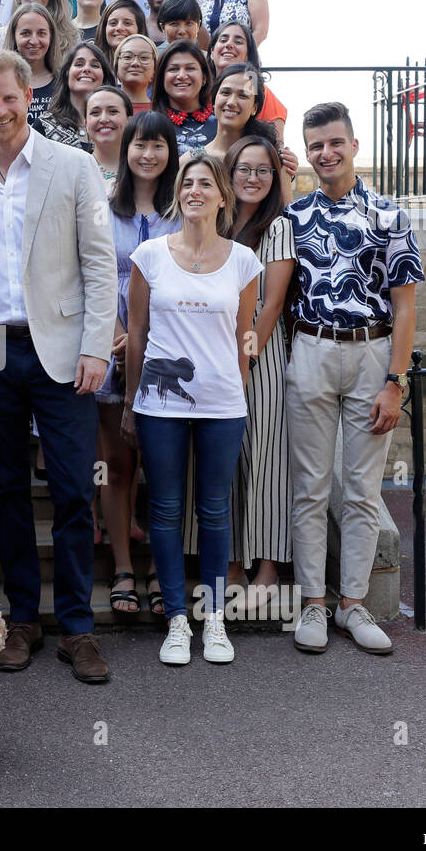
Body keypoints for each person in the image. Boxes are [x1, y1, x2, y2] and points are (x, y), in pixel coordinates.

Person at [0, 49, 118, 684]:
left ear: (27, 97)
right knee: (9, 490)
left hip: (63, 349)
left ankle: (77, 627)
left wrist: (98, 345)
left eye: (8, 98)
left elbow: (99, 262)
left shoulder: (73, 168)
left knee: (72, 491)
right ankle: (22, 620)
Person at [286, 102, 423, 656]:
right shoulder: (293, 219)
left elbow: (406, 308)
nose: (326, 153)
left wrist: (397, 380)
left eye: (335, 142)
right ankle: (314, 604)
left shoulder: (390, 216)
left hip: (372, 353)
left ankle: (354, 604)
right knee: (311, 486)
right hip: (312, 349)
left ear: (354, 145)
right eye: (316, 145)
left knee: (363, 488)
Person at [123, 153, 261, 666]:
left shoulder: (244, 260)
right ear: (178, 193)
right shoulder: (151, 255)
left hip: (222, 403)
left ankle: (215, 620)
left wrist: (237, 391)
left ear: (223, 196)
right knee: (163, 509)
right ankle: (177, 620)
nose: (196, 191)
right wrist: (133, 401)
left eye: (207, 183)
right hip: (158, 406)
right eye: (188, 183)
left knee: (214, 510)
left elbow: (244, 334)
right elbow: (136, 333)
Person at [97, 112, 180, 617]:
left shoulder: (182, 209)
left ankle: (158, 568)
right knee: (116, 465)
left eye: (158, 146)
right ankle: (123, 566)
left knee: (162, 465)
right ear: (125, 150)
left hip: (169, 350)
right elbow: (94, 276)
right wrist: (119, 341)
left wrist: (149, 346)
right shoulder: (103, 210)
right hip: (113, 344)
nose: (148, 155)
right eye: (139, 145)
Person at [221, 136, 295, 595]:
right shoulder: (215, 222)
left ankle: (267, 567)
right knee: (221, 461)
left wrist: (245, 357)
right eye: (244, 169)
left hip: (260, 355)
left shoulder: (279, 227)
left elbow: (271, 303)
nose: (252, 178)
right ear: (229, 175)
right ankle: (229, 562)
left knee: (264, 457)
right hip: (212, 353)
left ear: (275, 178)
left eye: (263, 170)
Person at [209, 19, 287, 143]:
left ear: (247, 55)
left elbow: (276, 147)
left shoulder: (261, 92)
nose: (229, 45)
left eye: (238, 42)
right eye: (223, 40)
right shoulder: (198, 87)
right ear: (212, 52)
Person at [35, 40, 114, 149]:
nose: (86, 69)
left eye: (95, 65)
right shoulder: (44, 125)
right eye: (79, 64)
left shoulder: (115, 124)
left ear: (104, 77)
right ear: (66, 74)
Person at [202, 62, 281, 161]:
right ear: (214, 100)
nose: (231, 102)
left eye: (243, 95)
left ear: (255, 108)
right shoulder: (190, 160)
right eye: (225, 93)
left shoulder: (268, 159)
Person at [152, 39, 216, 154]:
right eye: (173, 69)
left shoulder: (222, 122)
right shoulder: (149, 123)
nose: (181, 75)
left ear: (204, 78)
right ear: (162, 78)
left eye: (190, 68)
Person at [0, 2, 60, 125]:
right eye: (25, 33)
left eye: (41, 33)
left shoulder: (64, 83)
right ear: (14, 36)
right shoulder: (0, 83)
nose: (34, 40)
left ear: (51, 37)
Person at [86, 84, 133, 185]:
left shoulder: (143, 167)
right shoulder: (77, 168)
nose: (103, 119)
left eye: (113, 112)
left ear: (129, 121)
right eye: (95, 113)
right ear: (86, 124)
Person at [95, 0, 147, 67]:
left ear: (139, 28)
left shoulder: (151, 68)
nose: (119, 28)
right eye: (113, 23)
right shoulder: (92, 66)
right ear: (104, 28)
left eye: (127, 23)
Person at [113, 33, 157, 112]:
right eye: (127, 57)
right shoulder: (102, 108)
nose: (135, 63)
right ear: (116, 66)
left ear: (155, 69)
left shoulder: (163, 112)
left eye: (144, 58)